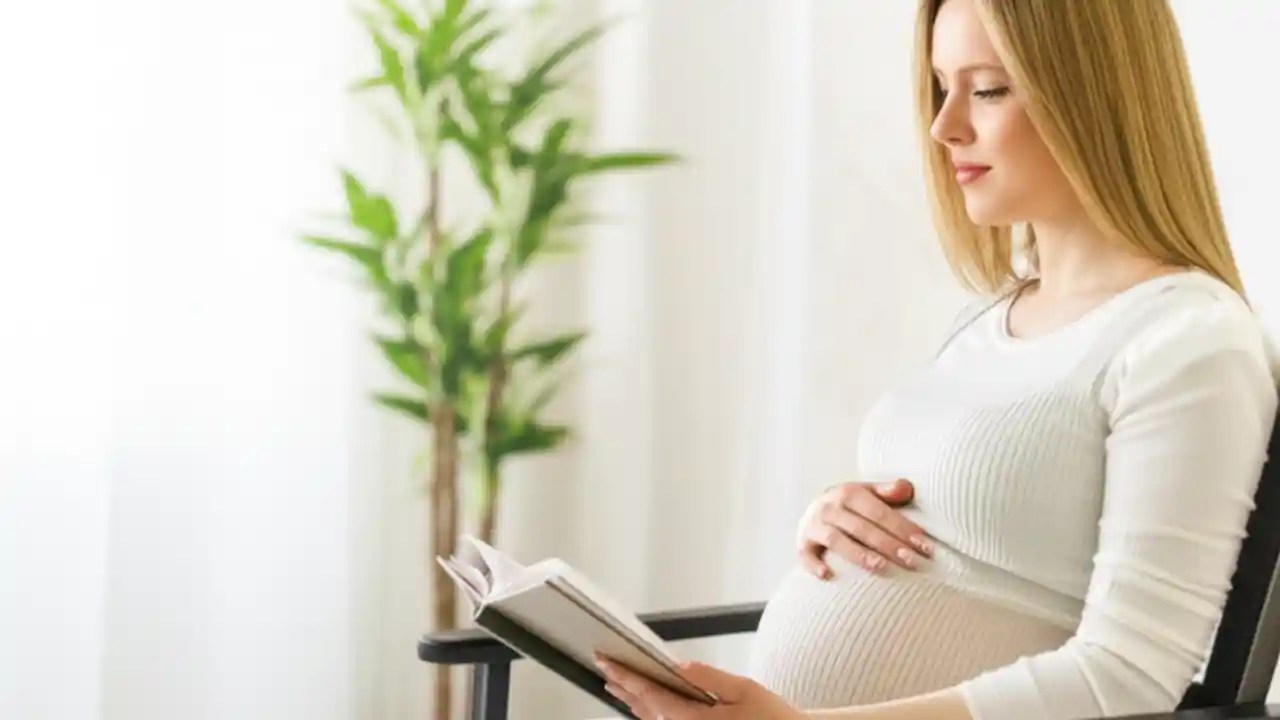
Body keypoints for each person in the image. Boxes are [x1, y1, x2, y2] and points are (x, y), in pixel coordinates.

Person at [594, 0, 1280, 718]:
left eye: (985, 89)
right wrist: (838, 519)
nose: (943, 126)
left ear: (1095, 97)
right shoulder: (988, 320)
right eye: (940, 87)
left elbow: (1127, 677)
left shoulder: (1190, 341)